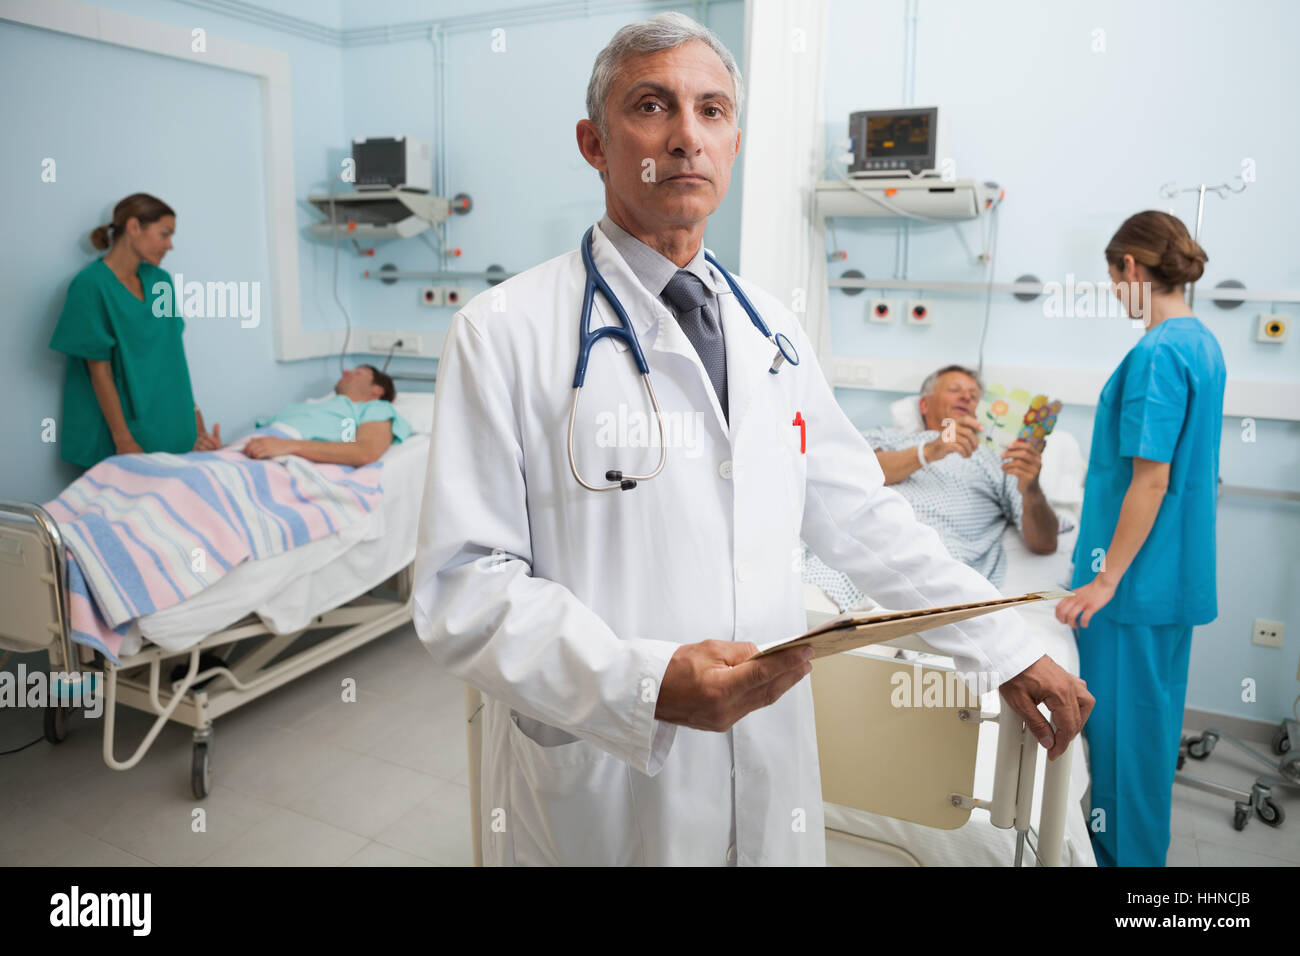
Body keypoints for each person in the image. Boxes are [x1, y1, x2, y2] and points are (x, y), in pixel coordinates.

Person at [414, 12, 1092, 866]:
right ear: (594, 141)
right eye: (652, 106)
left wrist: (1002, 642)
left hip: (766, 763)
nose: (686, 137)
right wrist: (645, 685)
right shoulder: (504, 332)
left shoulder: (772, 329)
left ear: (734, 141)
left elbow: (859, 516)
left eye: (711, 111)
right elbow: (462, 588)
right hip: (606, 778)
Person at [1055, 211, 1224, 867]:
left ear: (1131, 268)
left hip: (1131, 589)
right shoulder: (1201, 343)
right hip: (1170, 581)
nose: (1115, 293)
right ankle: (1141, 856)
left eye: (1113, 278)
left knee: (1122, 748)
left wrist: (1103, 580)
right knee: (1149, 738)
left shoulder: (1157, 353)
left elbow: (1149, 483)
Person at [804, 364, 1060, 610]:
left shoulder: (999, 460)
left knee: (908, 602)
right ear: (924, 404)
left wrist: (1031, 489)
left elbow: (1045, 543)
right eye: (955, 390)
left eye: (973, 396)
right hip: (866, 540)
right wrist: (931, 450)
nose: (966, 398)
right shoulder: (889, 437)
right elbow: (854, 475)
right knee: (815, 594)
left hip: (934, 556)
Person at [48, 193, 222, 469]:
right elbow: (99, 371)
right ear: (133, 228)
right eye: (164, 234)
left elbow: (173, 359)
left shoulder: (160, 282)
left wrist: (196, 424)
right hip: (120, 438)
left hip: (173, 429)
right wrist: (124, 442)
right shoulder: (90, 286)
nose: (170, 245)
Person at [242, 365, 409, 466]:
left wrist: (288, 445)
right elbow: (262, 442)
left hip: (281, 457)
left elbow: (365, 452)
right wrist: (221, 447)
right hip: (247, 452)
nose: (345, 370)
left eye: (358, 373)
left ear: (377, 390)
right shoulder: (306, 406)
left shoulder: (375, 407)